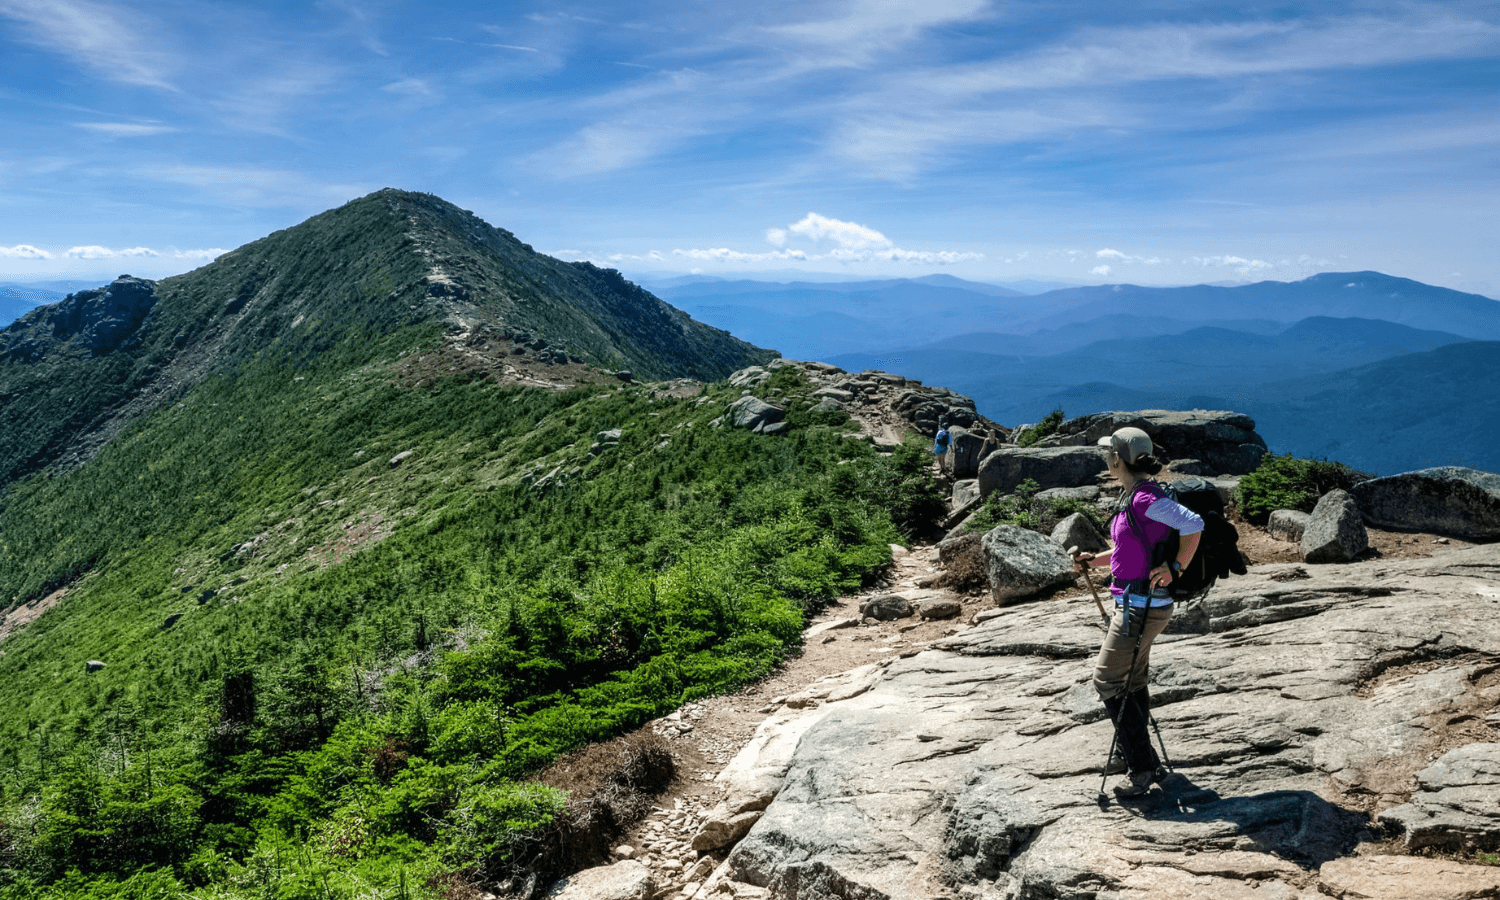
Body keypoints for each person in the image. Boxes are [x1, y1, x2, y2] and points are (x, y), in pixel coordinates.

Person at [1074, 427, 1203, 797]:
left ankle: (1141, 768)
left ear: (1118, 458)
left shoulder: (1145, 498)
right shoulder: (1131, 497)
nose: (1105, 459)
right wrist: (1093, 561)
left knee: (1107, 680)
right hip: (1137, 603)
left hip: (1141, 607)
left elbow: (1194, 524)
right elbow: (1125, 549)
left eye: (1108, 454)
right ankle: (1137, 752)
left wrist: (1175, 568)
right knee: (1132, 682)